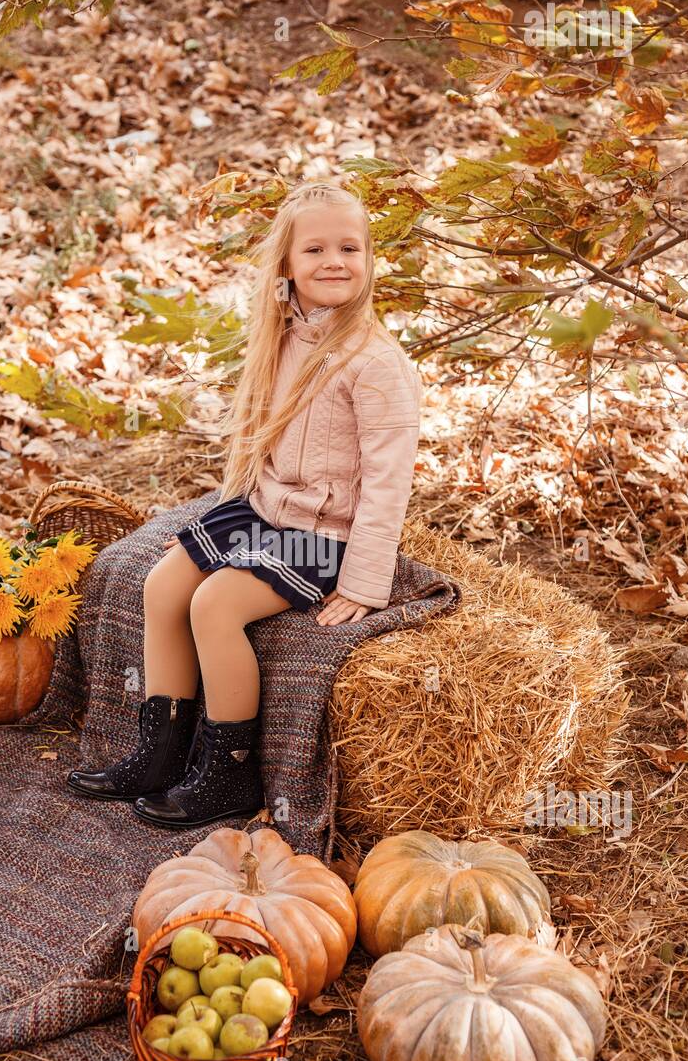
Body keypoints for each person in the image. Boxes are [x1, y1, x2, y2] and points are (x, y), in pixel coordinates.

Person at [67, 181, 423, 828]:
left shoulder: (376, 363)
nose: (335, 261)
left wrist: (363, 581)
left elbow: (388, 480)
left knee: (216, 604)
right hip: (267, 510)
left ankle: (228, 771)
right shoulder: (284, 336)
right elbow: (259, 442)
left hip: (326, 533)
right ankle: (160, 753)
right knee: (165, 582)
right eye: (315, 249)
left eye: (350, 248)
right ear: (286, 263)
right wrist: (216, 531)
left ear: (370, 259)